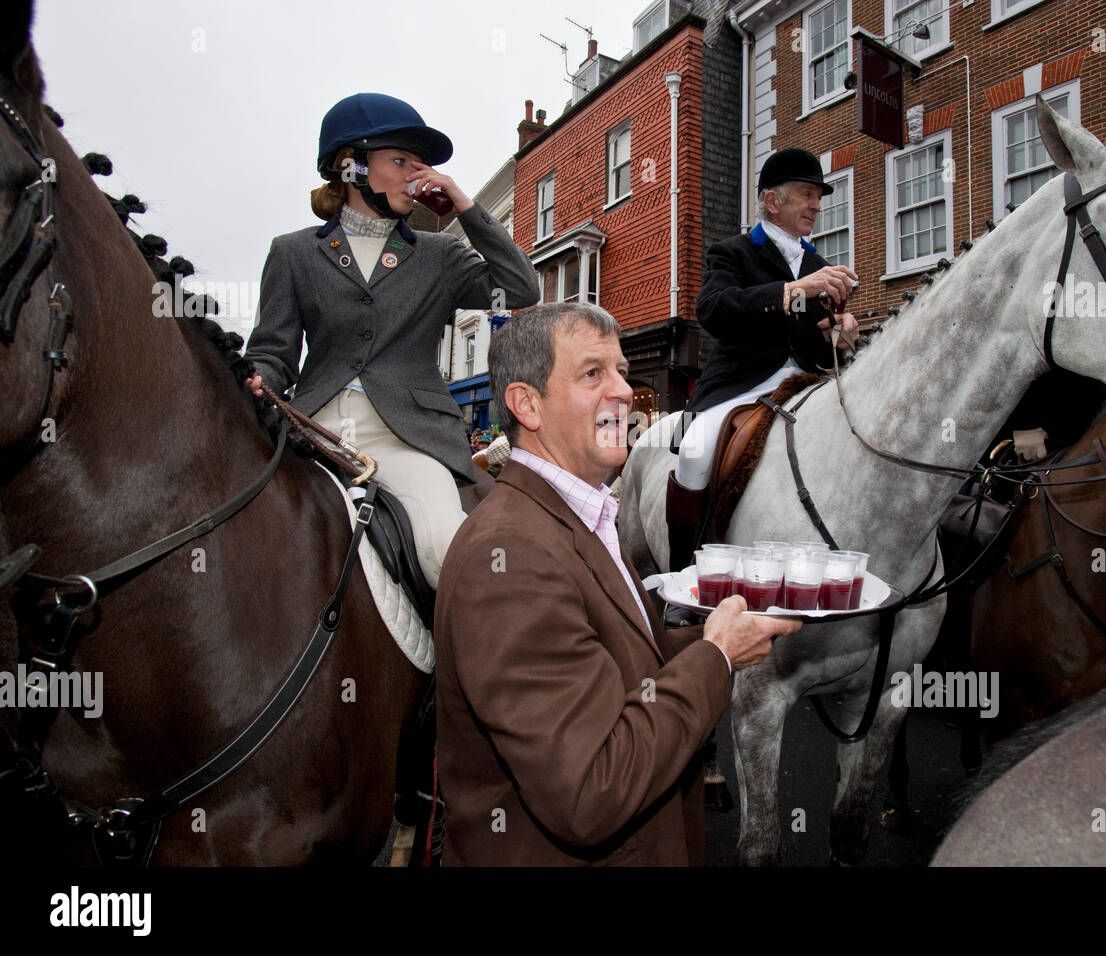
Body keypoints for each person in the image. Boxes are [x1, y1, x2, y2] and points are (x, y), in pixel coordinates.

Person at [433, 302, 802, 865]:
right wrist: (717, 659)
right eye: (592, 373)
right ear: (527, 405)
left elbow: (615, 660)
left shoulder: (587, 514)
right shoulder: (507, 557)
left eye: (623, 372)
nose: (624, 391)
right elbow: (589, 792)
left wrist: (717, 637)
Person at [244, 93, 538, 588]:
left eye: (418, 164)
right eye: (400, 160)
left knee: (447, 548)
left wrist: (463, 205)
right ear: (352, 168)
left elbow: (519, 288)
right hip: (311, 430)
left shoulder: (439, 253)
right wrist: (258, 379)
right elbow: (273, 351)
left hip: (406, 439)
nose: (414, 174)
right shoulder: (292, 253)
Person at [667, 148, 861, 571]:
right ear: (773, 201)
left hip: (808, 384)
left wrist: (840, 334)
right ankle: (682, 574)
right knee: (693, 450)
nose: (816, 205)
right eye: (807, 194)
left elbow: (813, 339)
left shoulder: (817, 264)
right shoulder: (732, 252)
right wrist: (792, 291)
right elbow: (713, 311)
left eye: (818, 196)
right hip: (740, 383)